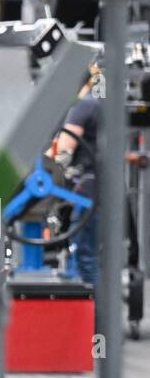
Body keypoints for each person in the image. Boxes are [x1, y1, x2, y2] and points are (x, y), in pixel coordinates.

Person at [55, 70, 102, 288]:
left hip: (88, 192)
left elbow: (64, 150)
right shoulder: (99, 104)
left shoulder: (82, 106)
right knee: (92, 256)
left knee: (85, 260)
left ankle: (96, 320)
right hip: (102, 187)